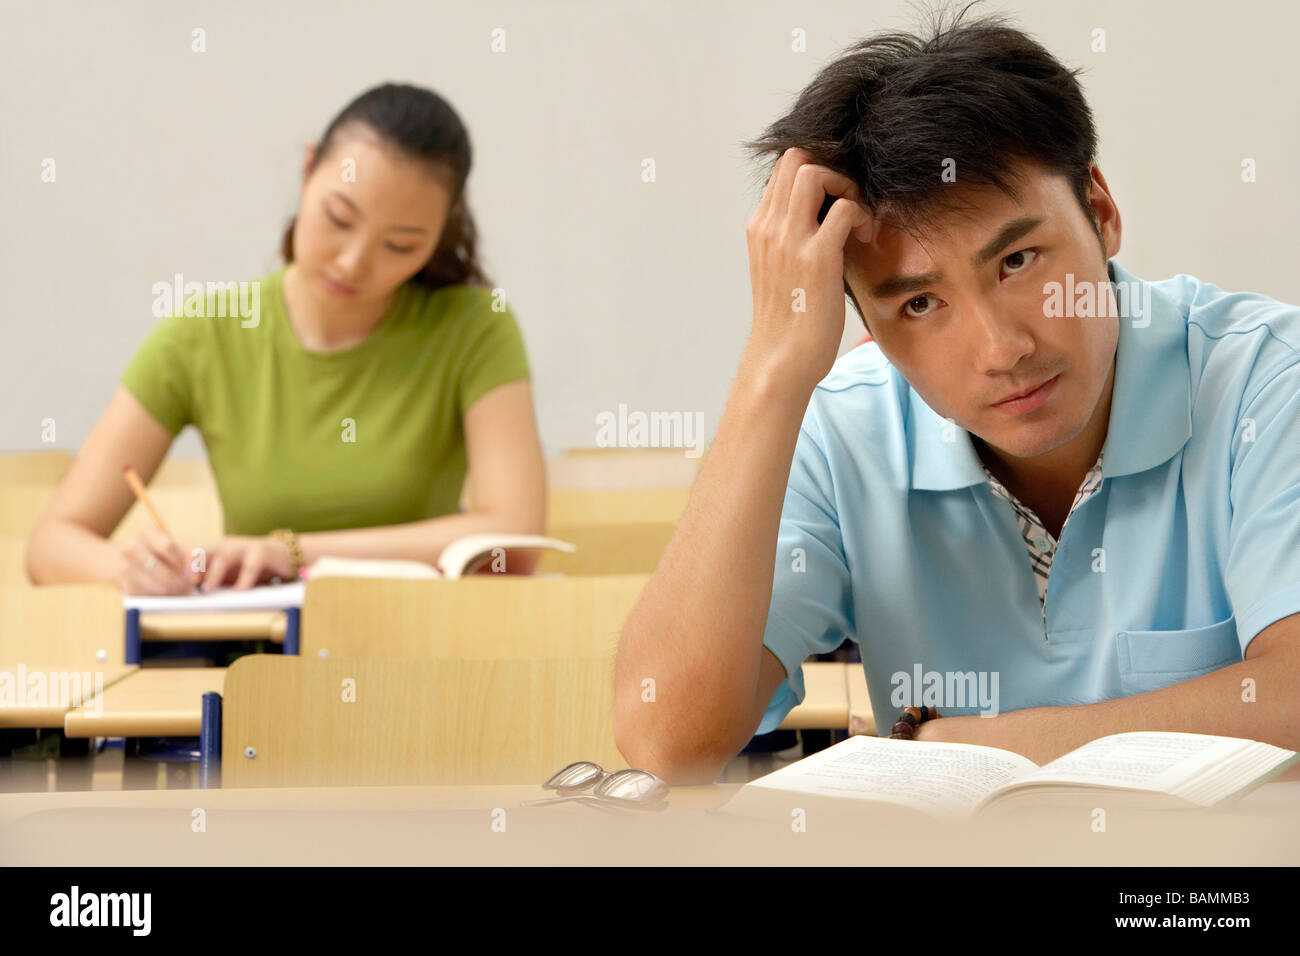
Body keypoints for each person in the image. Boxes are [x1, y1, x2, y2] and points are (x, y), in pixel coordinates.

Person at [615, 6, 1300, 783]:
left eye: (1018, 261)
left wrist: (968, 746)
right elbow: (667, 737)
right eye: (918, 304)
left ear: (1101, 211)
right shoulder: (845, 427)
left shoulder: (1266, 383)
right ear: (864, 319)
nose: (1002, 350)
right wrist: (771, 370)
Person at [27, 83, 546, 594]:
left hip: (414, 655)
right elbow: (52, 544)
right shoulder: (205, 335)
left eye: (400, 245)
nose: (353, 262)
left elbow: (514, 540)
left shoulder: (473, 327)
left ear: (440, 233)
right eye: (338, 218)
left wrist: (290, 552)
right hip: (252, 660)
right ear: (308, 168)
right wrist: (127, 570)